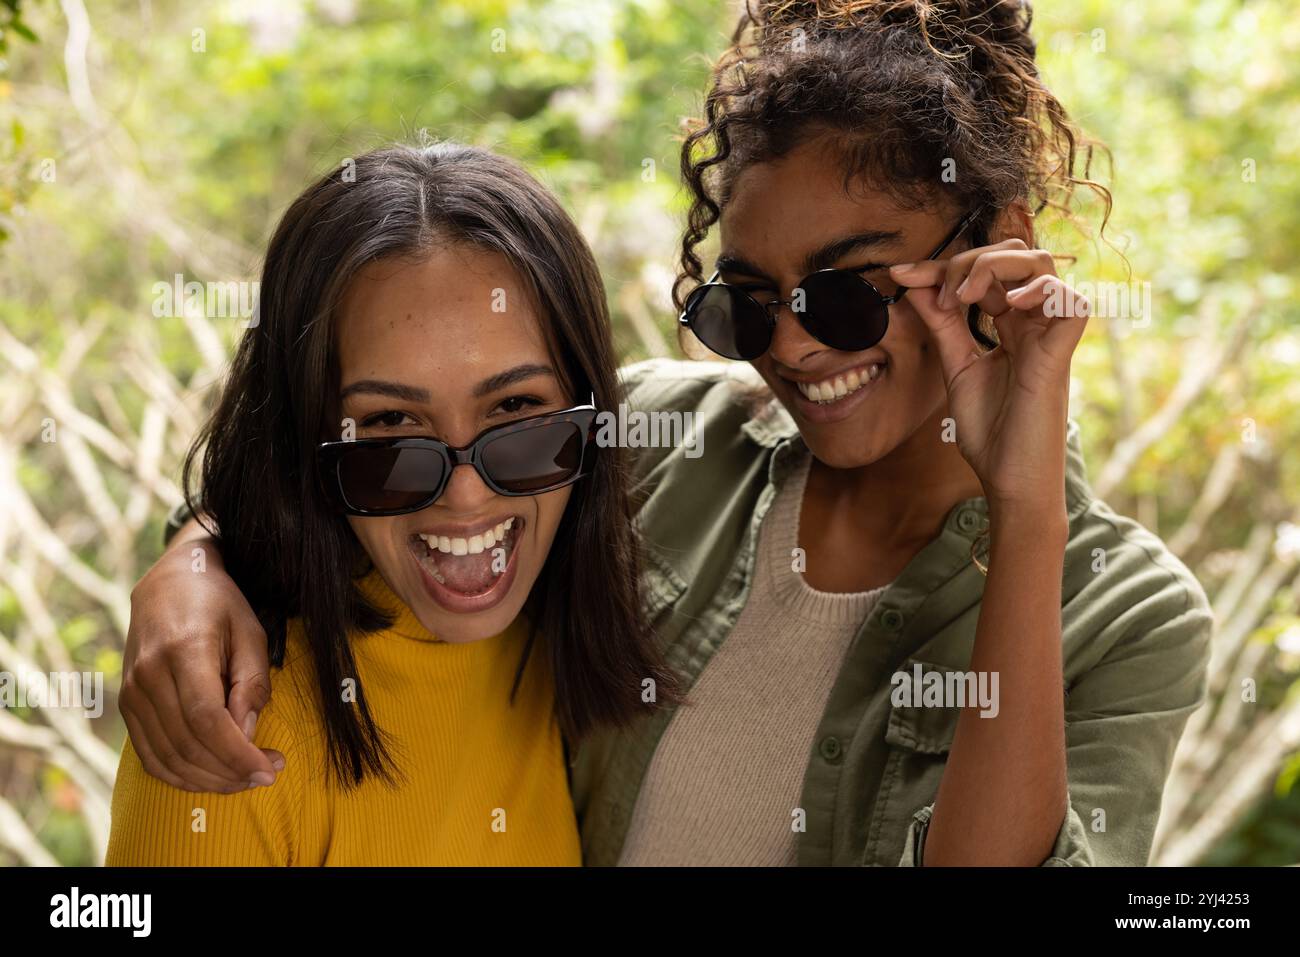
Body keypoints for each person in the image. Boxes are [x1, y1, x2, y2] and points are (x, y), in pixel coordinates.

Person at [118, 0, 1212, 866]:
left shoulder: (1128, 616)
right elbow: (377, 457)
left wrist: (1023, 515)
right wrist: (197, 561)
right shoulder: (650, 439)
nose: (790, 348)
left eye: (842, 294)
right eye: (744, 301)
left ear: (1000, 249)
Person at [106, 142, 674, 865]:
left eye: (517, 410)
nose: (467, 493)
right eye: (390, 426)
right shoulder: (230, 733)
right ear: (307, 437)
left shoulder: (549, 627)